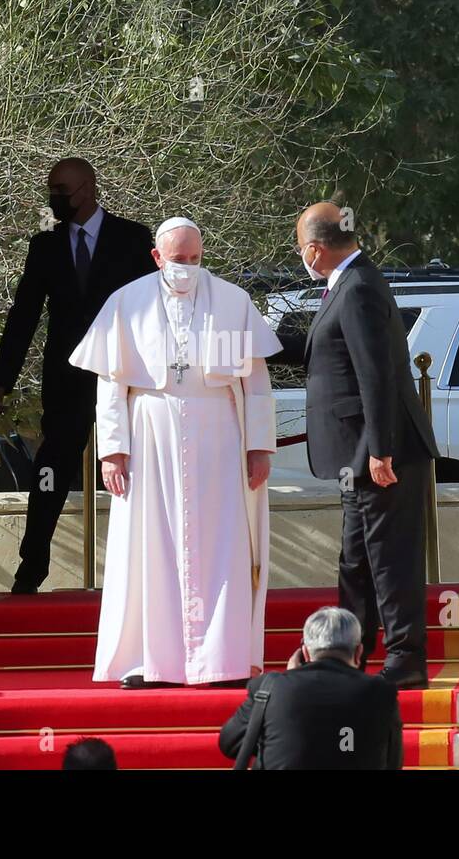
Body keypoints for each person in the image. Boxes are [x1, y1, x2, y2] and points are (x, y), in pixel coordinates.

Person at [69, 217, 280, 688]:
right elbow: (111, 384)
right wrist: (113, 451)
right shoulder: (127, 303)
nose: (187, 269)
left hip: (219, 436)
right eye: (178, 260)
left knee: (221, 542)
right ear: (157, 258)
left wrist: (259, 447)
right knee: (151, 543)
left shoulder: (232, 301)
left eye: (195, 260)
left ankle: (222, 660)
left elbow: (256, 383)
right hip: (150, 433)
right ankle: (150, 661)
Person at [271, 203, 439, 689]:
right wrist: (255, 339)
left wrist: (380, 449)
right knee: (357, 561)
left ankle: (406, 660)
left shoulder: (359, 286)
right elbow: (323, 352)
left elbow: (375, 374)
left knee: (389, 559)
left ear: (313, 250)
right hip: (359, 453)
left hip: (378, 453)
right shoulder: (349, 282)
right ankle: (349, 654)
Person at [0, 158, 156, 594]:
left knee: (139, 467)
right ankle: (30, 572)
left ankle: (149, 571)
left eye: (61, 189)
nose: (55, 198)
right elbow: (24, 313)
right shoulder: (45, 246)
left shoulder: (133, 239)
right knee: (52, 468)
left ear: (88, 188)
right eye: (51, 190)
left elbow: (156, 309)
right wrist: (2, 376)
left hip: (126, 374)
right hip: (68, 376)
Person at [218, 607, 402, 769]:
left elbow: (230, 743)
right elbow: (393, 761)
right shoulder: (380, 692)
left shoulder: (270, 687)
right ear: (359, 652)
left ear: (305, 652)